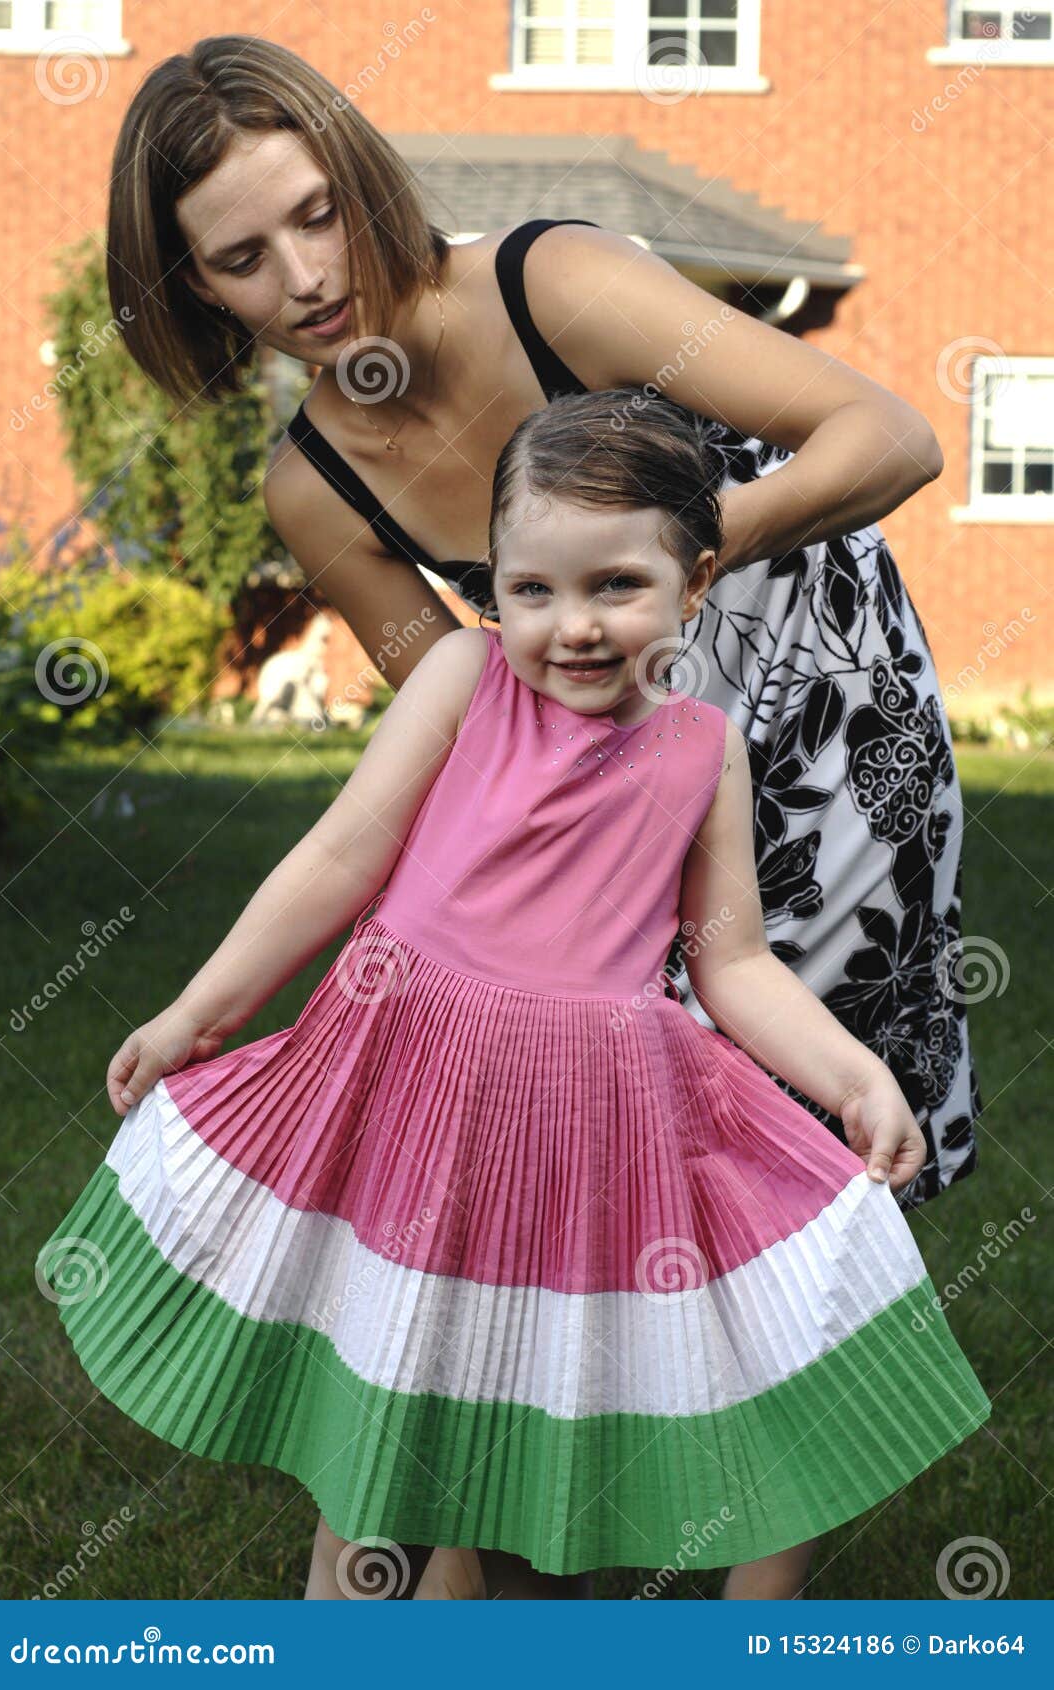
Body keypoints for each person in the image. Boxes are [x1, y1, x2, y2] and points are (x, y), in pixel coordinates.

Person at [101, 34, 983, 1597]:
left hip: (824, 724)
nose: (306, 278)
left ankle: (752, 1597)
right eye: (240, 260)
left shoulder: (549, 283)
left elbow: (893, 439)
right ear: (193, 291)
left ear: (358, 175)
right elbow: (455, 749)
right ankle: (495, 1548)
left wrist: (668, 563)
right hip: (621, 769)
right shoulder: (315, 488)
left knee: (800, 1171)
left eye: (316, 213)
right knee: (572, 1176)